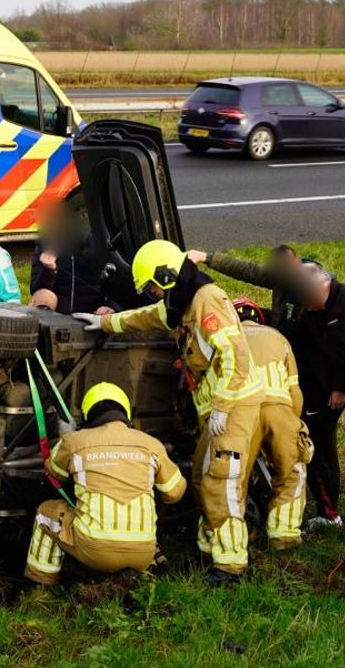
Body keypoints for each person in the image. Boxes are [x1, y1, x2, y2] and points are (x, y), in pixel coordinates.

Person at [75, 240, 263, 586]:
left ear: (166, 274)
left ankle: (230, 567)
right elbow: (150, 316)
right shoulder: (184, 301)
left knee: (220, 481)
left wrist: (223, 409)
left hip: (233, 407)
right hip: (218, 408)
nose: (153, 293)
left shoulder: (206, 300)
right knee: (202, 479)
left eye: (153, 286)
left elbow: (235, 357)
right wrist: (106, 323)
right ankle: (210, 549)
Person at [25, 382, 186, 584]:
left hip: (94, 551)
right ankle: (146, 568)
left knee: (45, 512)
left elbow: (54, 471)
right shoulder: (151, 444)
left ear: (86, 415)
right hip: (142, 553)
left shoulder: (74, 441)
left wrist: (66, 439)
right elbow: (174, 492)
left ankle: (40, 584)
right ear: (125, 411)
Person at [233, 298, 313, 550]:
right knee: (292, 469)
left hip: (242, 414)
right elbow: (295, 392)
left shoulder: (227, 339)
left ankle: (238, 536)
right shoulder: (279, 338)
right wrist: (293, 423)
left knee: (233, 478)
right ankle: (283, 535)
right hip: (279, 411)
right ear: (259, 318)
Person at [290, 266, 345, 530]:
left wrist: (340, 388)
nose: (305, 307)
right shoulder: (315, 310)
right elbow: (296, 335)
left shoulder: (340, 310)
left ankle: (329, 514)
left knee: (314, 446)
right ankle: (329, 509)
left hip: (334, 389)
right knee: (321, 442)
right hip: (321, 385)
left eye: (306, 300)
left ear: (319, 288)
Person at [187, 246, 322, 331]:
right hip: (282, 329)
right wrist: (205, 257)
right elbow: (246, 270)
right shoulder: (281, 274)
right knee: (242, 312)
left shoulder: (317, 292)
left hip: (302, 349)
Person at [29, 193, 115, 314]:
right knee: (44, 295)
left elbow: (120, 284)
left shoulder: (102, 243)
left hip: (95, 314)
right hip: (57, 316)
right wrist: (49, 270)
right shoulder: (46, 244)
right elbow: (36, 289)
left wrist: (111, 306)